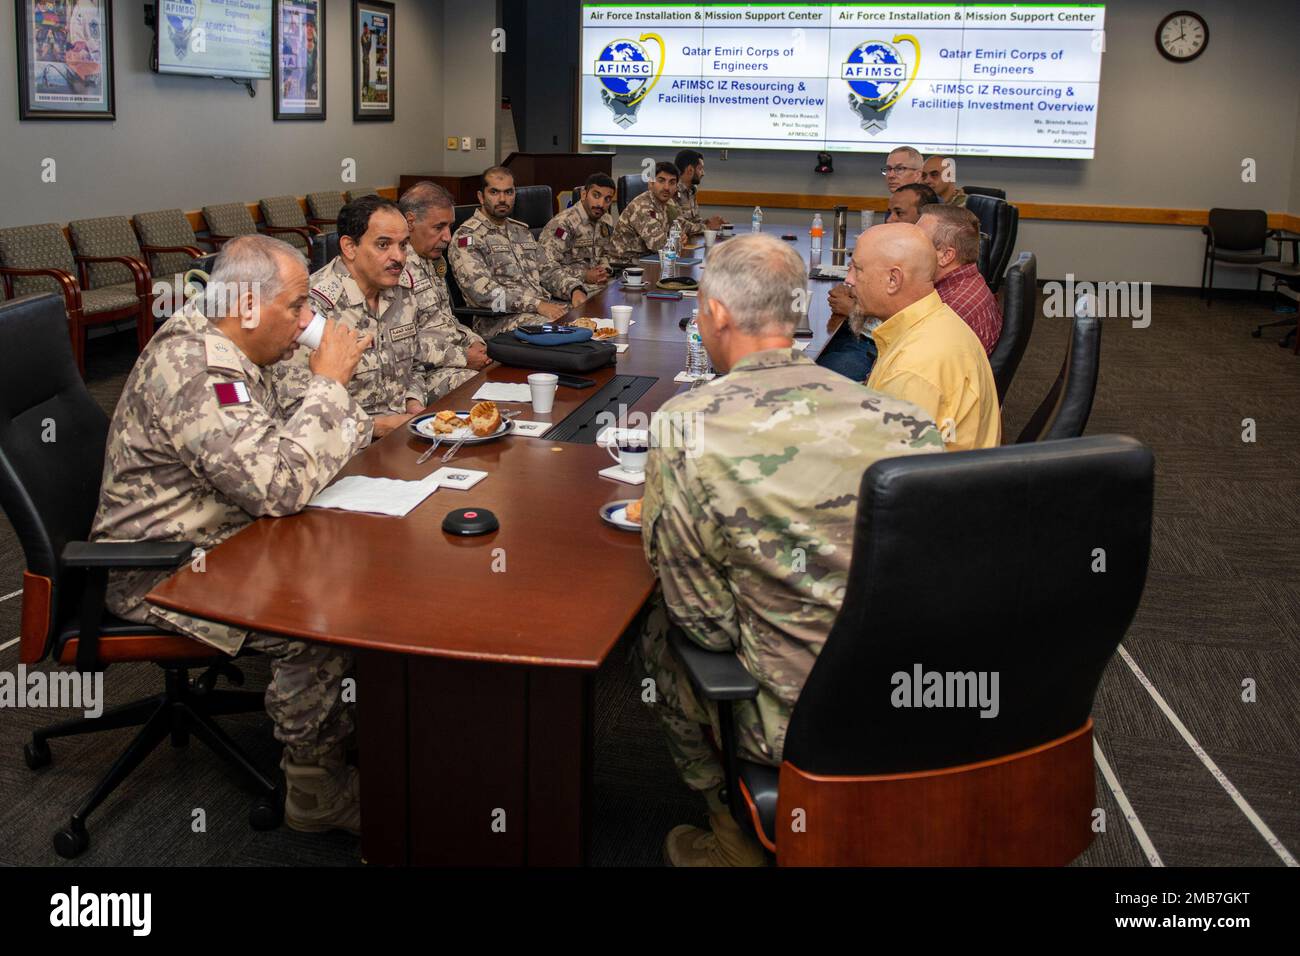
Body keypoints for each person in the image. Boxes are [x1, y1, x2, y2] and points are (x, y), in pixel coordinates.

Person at [639, 234, 945, 867]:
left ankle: (734, 838)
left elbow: (702, 619)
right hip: (911, 695)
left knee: (658, 634)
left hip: (788, 716)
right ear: (797, 312)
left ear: (717, 314)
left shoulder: (684, 425)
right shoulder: (905, 421)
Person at [91, 235, 373, 834]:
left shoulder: (234, 342)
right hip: (164, 569)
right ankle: (315, 791)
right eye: (297, 307)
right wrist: (330, 388)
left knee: (360, 558)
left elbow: (308, 432)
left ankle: (352, 734)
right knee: (319, 618)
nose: (306, 323)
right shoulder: (198, 367)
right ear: (246, 305)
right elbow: (277, 484)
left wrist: (331, 395)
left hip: (228, 537)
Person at [274, 196, 426, 437]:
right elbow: (296, 409)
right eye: (383, 245)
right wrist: (379, 427)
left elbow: (416, 365)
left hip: (402, 434)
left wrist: (413, 403)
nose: (399, 257)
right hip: (339, 446)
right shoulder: (308, 307)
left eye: (404, 244)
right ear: (350, 247)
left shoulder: (402, 292)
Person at [846, 223, 1001, 451]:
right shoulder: (938, 319)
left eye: (856, 269)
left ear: (893, 280)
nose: (848, 279)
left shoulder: (913, 370)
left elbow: (892, 473)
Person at [448, 166, 586, 338]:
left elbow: (548, 270)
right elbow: (482, 293)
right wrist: (536, 305)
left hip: (539, 310)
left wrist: (574, 289)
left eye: (508, 192)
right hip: (498, 321)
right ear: (481, 197)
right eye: (494, 192)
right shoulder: (468, 237)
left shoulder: (521, 231)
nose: (502, 199)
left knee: (587, 317)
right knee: (562, 331)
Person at [398, 181, 492, 399]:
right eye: (438, 227)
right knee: (482, 390)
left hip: (453, 359)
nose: (448, 237)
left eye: (449, 226)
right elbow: (403, 344)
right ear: (410, 222)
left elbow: (446, 320)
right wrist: (462, 357)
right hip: (420, 375)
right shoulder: (397, 269)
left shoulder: (430, 261)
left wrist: (473, 340)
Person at [917, 204, 1002, 353]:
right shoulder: (967, 282)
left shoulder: (949, 311)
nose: (908, 246)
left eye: (918, 241)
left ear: (946, 256)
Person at [539, 172, 617, 294]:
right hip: (572, 290)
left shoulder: (606, 220)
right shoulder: (563, 225)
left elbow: (606, 253)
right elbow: (545, 269)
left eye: (607, 199)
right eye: (596, 196)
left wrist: (605, 269)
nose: (601, 204)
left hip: (601, 287)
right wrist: (584, 275)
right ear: (584, 194)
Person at [611, 161, 682, 260]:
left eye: (672, 182)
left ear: (676, 187)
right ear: (651, 183)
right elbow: (658, 245)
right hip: (626, 265)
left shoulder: (669, 203)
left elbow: (682, 225)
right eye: (661, 181)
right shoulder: (642, 206)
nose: (666, 187)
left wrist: (704, 227)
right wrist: (678, 239)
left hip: (650, 260)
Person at [674, 149, 724, 236]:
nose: (703, 173)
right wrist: (708, 227)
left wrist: (710, 222)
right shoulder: (672, 191)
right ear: (690, 170)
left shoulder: (691, 191)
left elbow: (694, 222)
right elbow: (678, 225)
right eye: (700, 169)